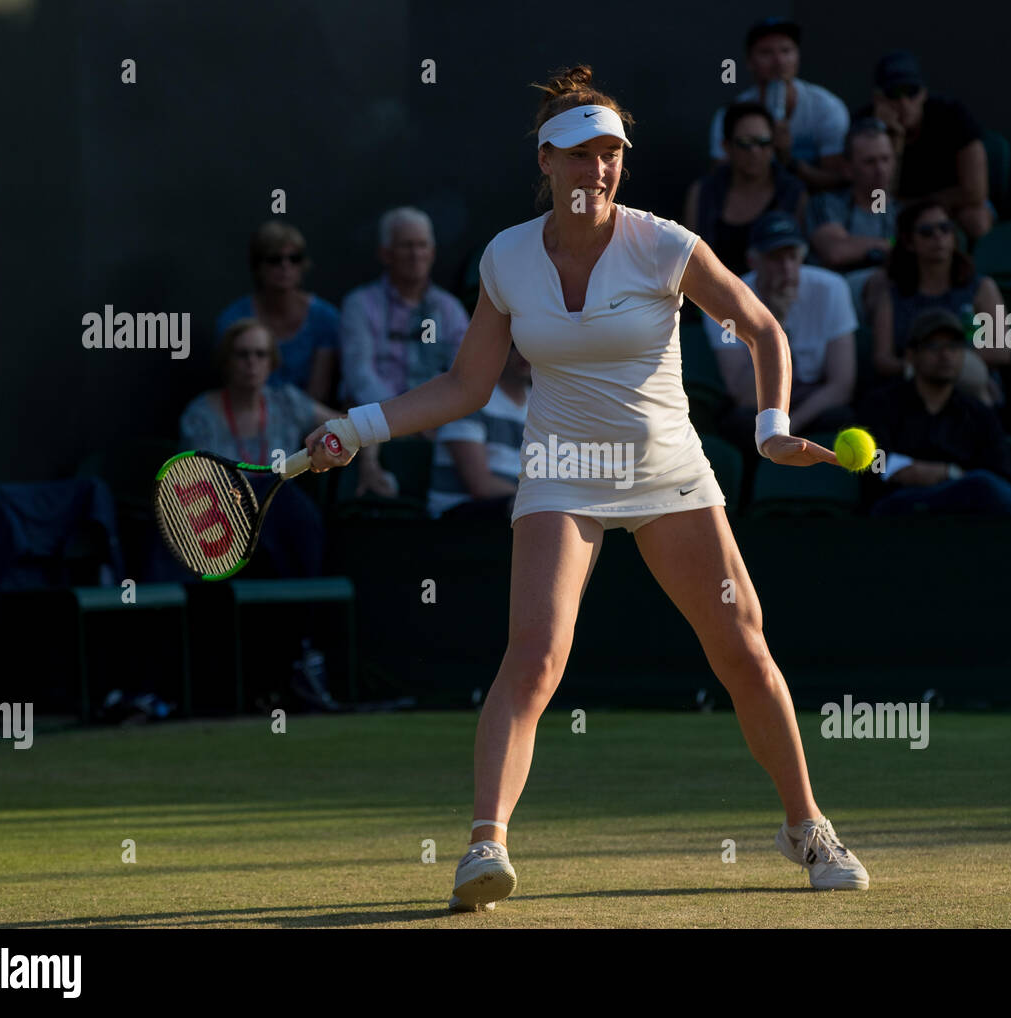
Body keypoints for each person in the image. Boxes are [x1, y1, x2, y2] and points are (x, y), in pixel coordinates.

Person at [301, 65, 870, 911]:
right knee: (533, 658)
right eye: (578, 155)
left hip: (670, 472)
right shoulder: (506, 259)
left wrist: (771, 425)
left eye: (610, 154)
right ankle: (482, 847)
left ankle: (807, 826)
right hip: (564, 474)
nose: (596, 169)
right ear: (547, 162)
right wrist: (358, 427)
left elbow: (760, 326)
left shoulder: (666, 244)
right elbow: (463, 386)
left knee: (743, 649)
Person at [704, 212, 856, 494]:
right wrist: (775, 324)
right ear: (754, 261)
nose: (787, 269)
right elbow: (744, 393)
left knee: (846, 416)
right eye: (775, 258)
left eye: (793, 257)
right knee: (737, 425)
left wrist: (785, 429)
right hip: (760, 405)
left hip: (813, 401)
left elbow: (841, 385)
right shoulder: (726, 299)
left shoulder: (833, 289)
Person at [176, 318, 341, 576]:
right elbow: (195, 483)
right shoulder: (201, 415)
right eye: (242, 354)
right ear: (227, 361)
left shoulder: (287, 402)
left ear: (272, 362)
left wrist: (370, 462)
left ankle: (306, 602)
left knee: (290, 503)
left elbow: (345, 426)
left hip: (280, 511)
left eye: (260, 354)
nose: (252, 362)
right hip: (221, 513)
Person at [339, 207, 470, 497]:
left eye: (422, 245)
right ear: (386, 253)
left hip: (438, 431)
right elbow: (360, 377)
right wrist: (404, 417)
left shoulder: (449, 310)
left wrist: (428, 418)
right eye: (406, 245)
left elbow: (465, 375)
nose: (415, 254)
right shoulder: (360, 305)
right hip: (376, 431)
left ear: (432, 252)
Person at [862, 309, 1011, 516]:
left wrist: (947, 474)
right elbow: (873, 464)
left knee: (982, 485)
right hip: (900, 506)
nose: (945, 355)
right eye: (933, 346)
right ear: (911, 355)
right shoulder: (881, 405)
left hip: (966, 511)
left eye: (953, 347)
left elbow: (1001, 475)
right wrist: (913, 473)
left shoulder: (979, 413)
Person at [873, 200, 1010, 406]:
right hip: (912, 392)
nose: (938, 237)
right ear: (909, 242)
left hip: (971, 393)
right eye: (927, 232)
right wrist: (922, 367)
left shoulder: (982, 288)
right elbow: (882, 359)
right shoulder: (891, 296)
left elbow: (1002, 351)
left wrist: (943, 361)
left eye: (945, 229)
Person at [707, 18, 850, 191]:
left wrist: (788, 160)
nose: (779, 61)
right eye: (766, 53)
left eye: (786, 51)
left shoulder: (827, 108)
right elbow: (718, 180)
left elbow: (835, 180)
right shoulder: (729, 115)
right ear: (750, 62)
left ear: (798, 56)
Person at [866, 51, 992, 240]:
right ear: (879, 98)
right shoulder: (867, 126)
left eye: (911, 92)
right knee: (880, 225)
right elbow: (880, 202)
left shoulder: (952, 116)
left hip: (951, 204)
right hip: (896, 212)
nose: (904, 103)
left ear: (924, 93)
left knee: (976, 218)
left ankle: (977, 268)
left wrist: (919, 207)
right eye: (894, 94)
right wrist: (893, 140)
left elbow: (975, 192)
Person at [216, 221, 340, 403]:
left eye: (294, 258)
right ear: (258, 266)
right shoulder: (232, 319)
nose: (285, 266)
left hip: (309, 420)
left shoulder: (325, 318)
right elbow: (234, 388)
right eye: (275, 259)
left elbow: (318, 394)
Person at [683, 101, 806, 276]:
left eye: (763, 142)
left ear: (773, 145)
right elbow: (689, 259)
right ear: (727, 147)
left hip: (772, 295)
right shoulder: (703, 192)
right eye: (745, 143)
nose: (755, 151)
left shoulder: (793, 192)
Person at [806, 117, 900, 317]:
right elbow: (836, 251)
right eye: (869, 162)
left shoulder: (900, 210)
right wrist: (888, 245)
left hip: (895, 286)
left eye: (885, 159)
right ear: (848, 169)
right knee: (883, 282)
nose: (880, 170)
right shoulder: (827, 203)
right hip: (837, 293)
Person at [428, 343, 531, 521]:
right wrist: (541, 499)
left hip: (515, 509)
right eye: (515, 343)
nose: (524, 351)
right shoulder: (469, 398)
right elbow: (480, 485)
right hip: (457, 516)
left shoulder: (544, 407)